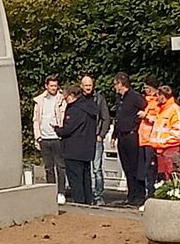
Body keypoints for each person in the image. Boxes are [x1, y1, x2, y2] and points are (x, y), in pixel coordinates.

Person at [56, 84, 99, 205]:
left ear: (72, 95)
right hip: (87, 149)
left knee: (76, 180)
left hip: (73, 150)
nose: (65, 101)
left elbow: (68, 129)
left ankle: (79, 203)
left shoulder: (75, 109)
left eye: (66, 98)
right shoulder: (90, 107)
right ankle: (88, 202)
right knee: (86, 179)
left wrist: (57, 130)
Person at [110, 73, 147, 206]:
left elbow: (146, 108)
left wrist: (136, 122)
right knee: (127, 166)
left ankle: (139, 195)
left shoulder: (135, 97)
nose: (115, 87)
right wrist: (114, 135)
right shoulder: (120, 98)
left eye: (115, 84)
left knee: (135, 165)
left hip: (132, 134)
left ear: (120, 84)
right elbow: (119, 117)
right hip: (122, 135)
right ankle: (131, 195)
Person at [32, 75, 67, 204]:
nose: (53, 88)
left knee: (60, 166)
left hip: (57, 137)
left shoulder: (62, 99)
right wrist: (38, 137)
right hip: (44, 138)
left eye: (55, 86)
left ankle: (61, 192)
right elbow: (36, 120)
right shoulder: (40, 100)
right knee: (48, 167)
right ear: (46, 86)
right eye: (51, 86)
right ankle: (51, 191)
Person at [80, 75, 111, 205]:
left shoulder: (99, 99)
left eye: (90, 85)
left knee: (96, 169)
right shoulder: (78, 99)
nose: (88, 88)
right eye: (86, 85)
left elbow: (106, 118)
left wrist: (101, 134)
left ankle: (98, 196)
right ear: (81, 86)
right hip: (82, 139)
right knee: (84, 168)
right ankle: (86, 195)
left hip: (96, 138)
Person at [149, 85, 180, 182]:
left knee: (173, 176)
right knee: (163, 178)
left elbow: (178, 131)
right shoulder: (161, 110)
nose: (155, 98)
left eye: (157, 95)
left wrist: (164, 141)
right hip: (160, 150)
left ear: (163, 96)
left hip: (170, 148)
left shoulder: (175, 110)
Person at [137, 78, 161, 200]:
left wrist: (145, 115)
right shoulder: (145, 101)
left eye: (146, 88)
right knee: (144, 170)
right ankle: (146, 194)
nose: (145, 90)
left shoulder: (157, 102)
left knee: (151, 170)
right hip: (143, 140)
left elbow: (158, 120)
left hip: (151, 141)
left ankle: (151, 195)